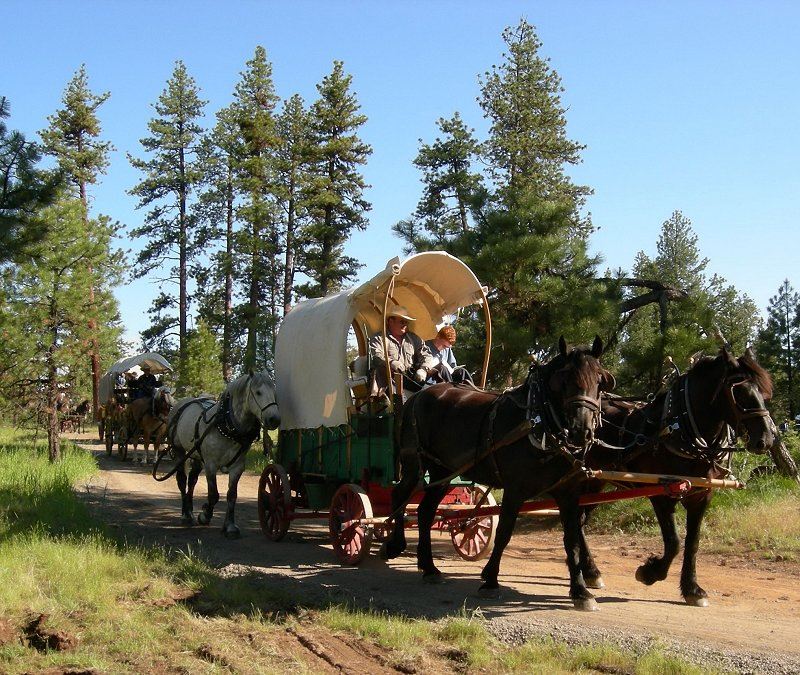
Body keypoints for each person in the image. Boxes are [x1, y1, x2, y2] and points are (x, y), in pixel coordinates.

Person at [369, 305, 437, 398]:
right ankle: (385, 402)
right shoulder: (379, 338)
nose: (405, 325)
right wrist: (391, 362)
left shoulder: (413, 338)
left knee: (440, 370)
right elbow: (376, 355)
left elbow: (427, 354)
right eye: (402, 322)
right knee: (381, 370)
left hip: (411, 377)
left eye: (406, 322)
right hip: (390, 379)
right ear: (390, 321)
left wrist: (423, 369)